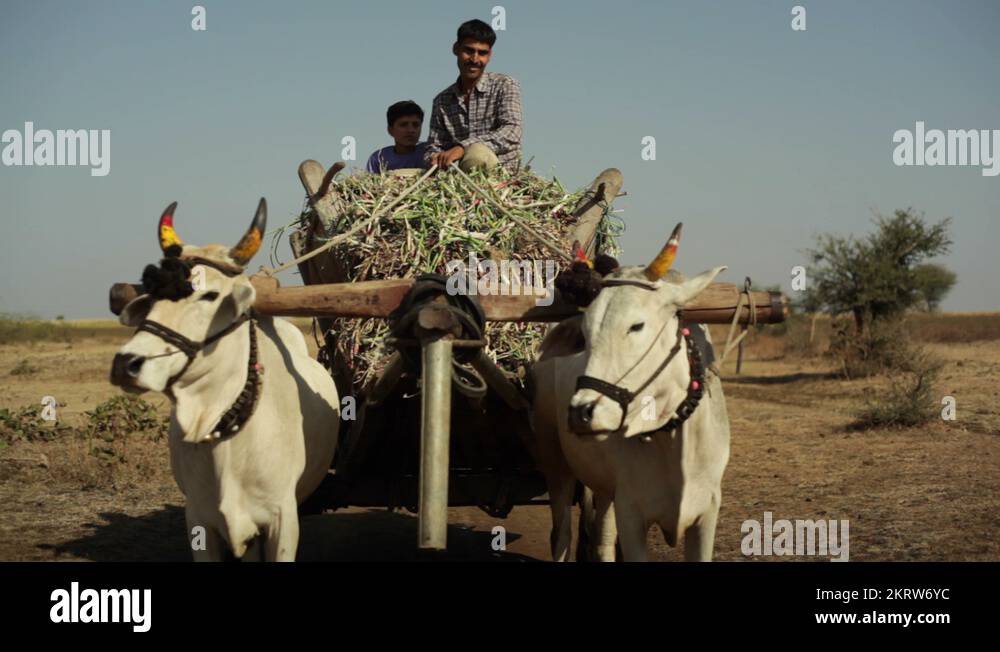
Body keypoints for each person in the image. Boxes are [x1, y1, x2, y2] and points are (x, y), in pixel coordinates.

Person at [424, 19, 523, 173]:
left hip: (502, 177)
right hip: (460, 182)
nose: (475, 59)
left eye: (482, 53)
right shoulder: (442, 100)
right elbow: (435, 145)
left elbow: (512, 131)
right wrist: (435, 157)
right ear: (456, 49)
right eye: (469, 50)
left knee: (476, 153)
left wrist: (463, 147)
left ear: (489, 55)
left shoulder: (504, 85)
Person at [366, 100, 429, 174]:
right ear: (390, 130)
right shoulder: (379, 158)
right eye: (403, 125)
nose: (411, 130)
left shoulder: (430, 152)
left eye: (416, 125)